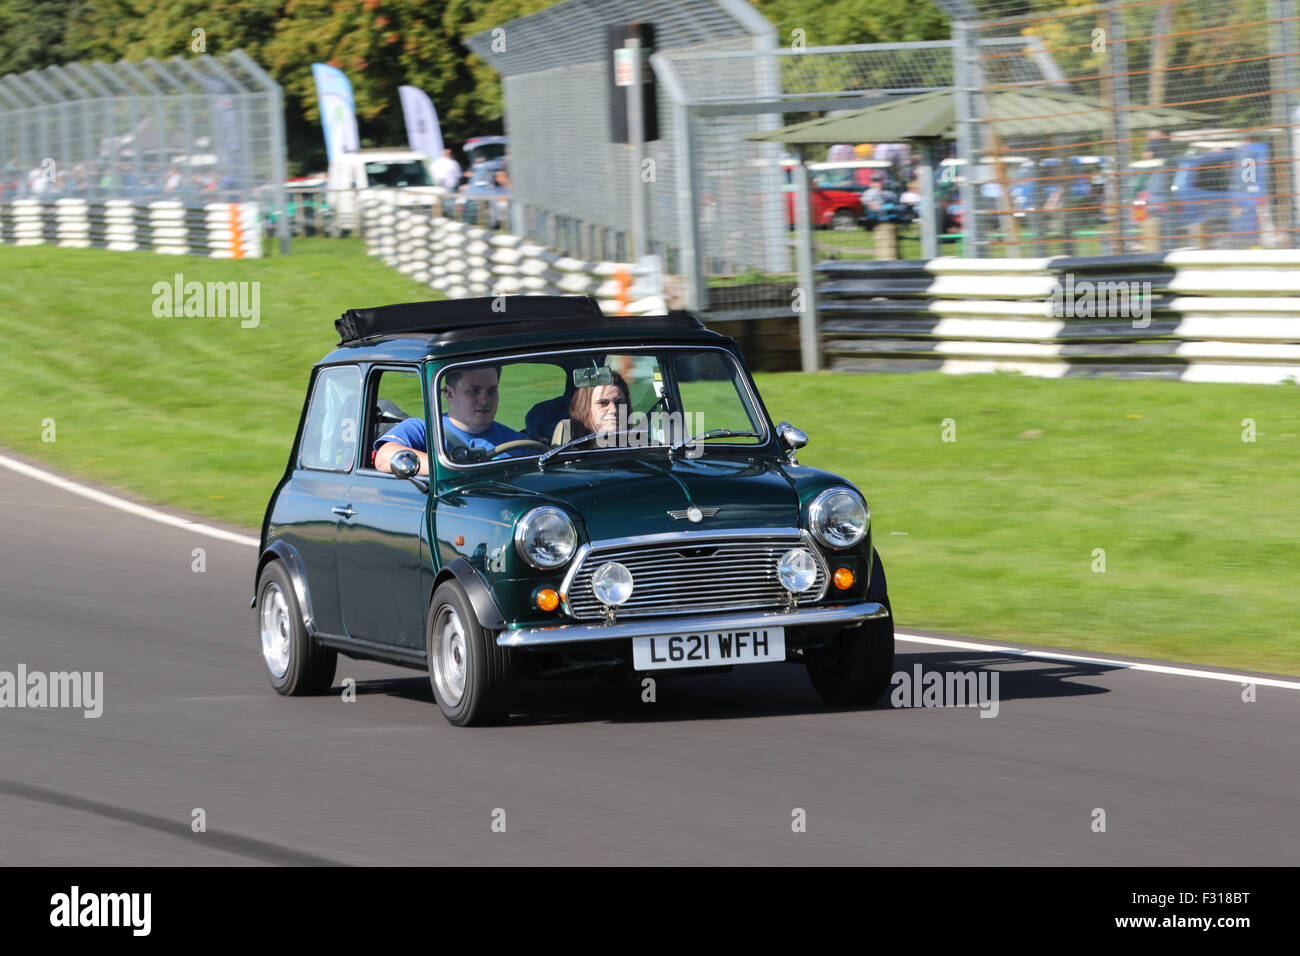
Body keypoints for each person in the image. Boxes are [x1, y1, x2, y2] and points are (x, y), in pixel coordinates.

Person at [374, 365, 528, 474]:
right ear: (449, 394)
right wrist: (447, 468)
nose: (484, 400)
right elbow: (384, 457)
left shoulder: (517, 442)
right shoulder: (422, 430)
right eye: (474, 391)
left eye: (491, 391)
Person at [567, 370, 632, 442]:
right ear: (585, 411)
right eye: (603, 403)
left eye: (620, 402)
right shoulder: (568, 452)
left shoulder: (641, 449)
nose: (614, 410)